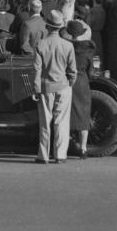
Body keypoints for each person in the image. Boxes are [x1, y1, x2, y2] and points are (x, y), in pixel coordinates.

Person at [32, 9, 77, 164]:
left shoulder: (41, 44)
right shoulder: (68, 45)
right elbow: (72, 70)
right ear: (60, 27)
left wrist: (36, 88)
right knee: (62, 122)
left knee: (45, 123)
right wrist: (70, 82)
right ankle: (60, 155)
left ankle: (43, 155)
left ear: (47, 26)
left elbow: (37, 69)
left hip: (45, 86)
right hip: (63, 86)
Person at [65, 18, 95, 159]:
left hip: (67, 82)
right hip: (82, 83)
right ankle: (83, 149)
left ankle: (65, 146)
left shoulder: (65, 46)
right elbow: (91, 72)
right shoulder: (88, 49)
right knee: (83, 117)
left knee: (65, 116)